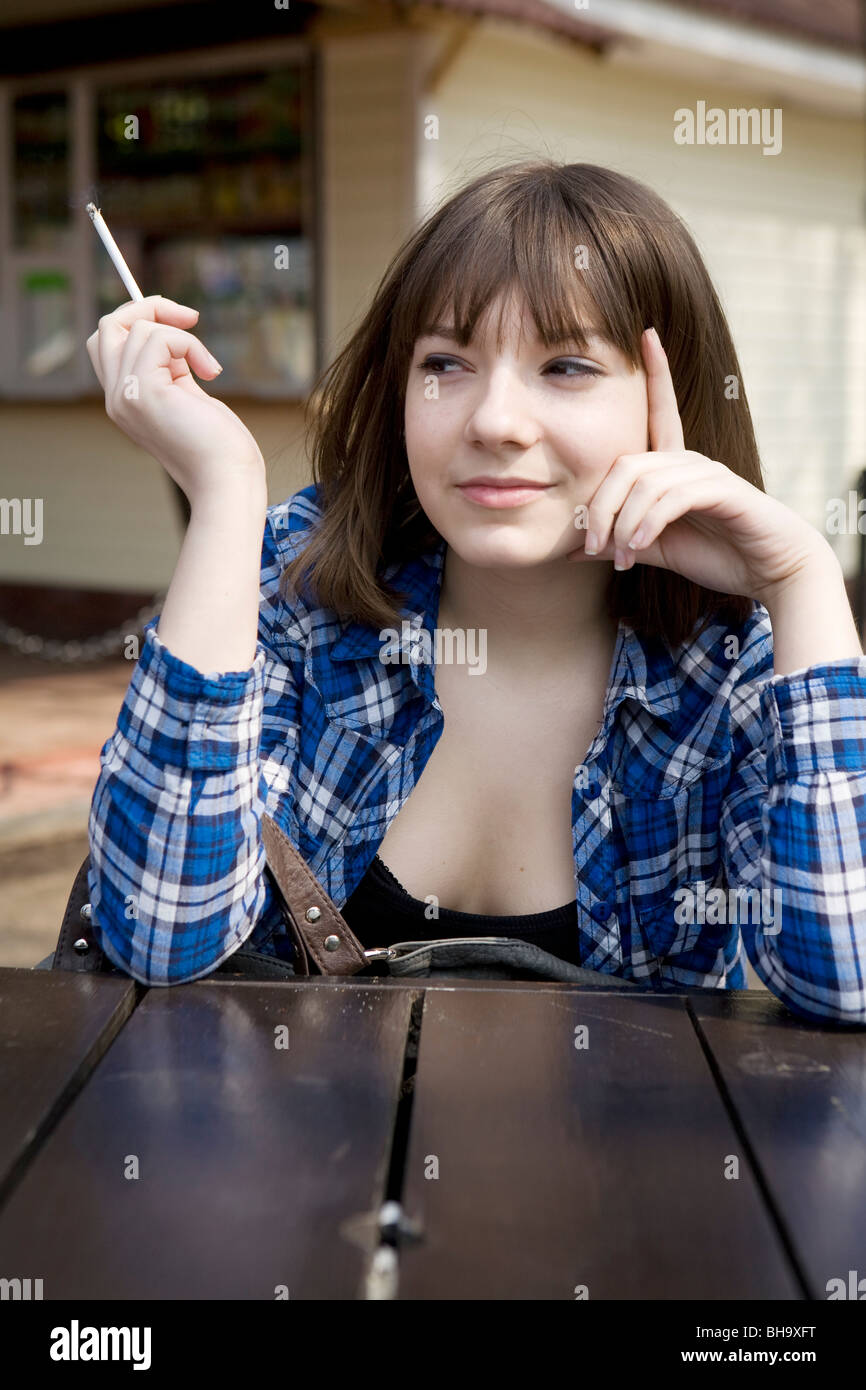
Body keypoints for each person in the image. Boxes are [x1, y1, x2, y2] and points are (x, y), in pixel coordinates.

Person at [83, 159, 866, 1022]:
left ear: (667, 398)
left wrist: (802, 582)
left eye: (566, 366)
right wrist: (226, 489)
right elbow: (154, 932)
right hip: (311, 1153)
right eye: (447, 363)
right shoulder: (294, 592)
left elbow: (848, 976)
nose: (494, 421)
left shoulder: (729, 667)